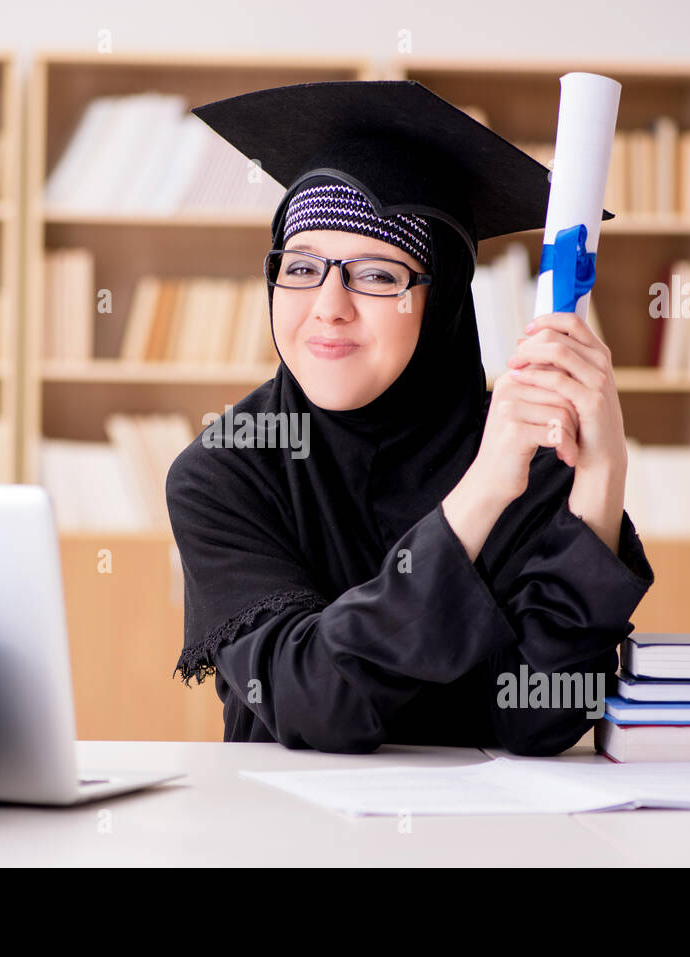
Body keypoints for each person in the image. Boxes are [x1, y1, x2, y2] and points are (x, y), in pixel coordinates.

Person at [166, 80, 654, 754]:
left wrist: (600, 479)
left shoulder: (531, 458)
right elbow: (316, 701)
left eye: (376, 275)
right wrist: (480, 494)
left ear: (443, 301)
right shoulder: (226, 471)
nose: (328, 306)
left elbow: (536, 717)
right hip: (281, 833)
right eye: (301, 267)